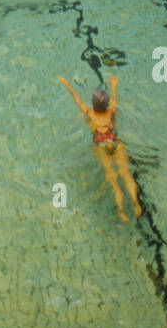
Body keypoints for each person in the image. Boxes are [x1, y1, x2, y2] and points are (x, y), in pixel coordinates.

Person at [59, 74, 142, 223]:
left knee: (113, 180)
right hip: (116, 143)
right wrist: (113, 85)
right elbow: (116, 99)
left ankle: (122, 211)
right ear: (106, 104)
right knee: (126, 175)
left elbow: (76, 99)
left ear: (93, 104)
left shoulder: (89, 113)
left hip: (101, 146)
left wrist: (68, 85)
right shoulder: (112, 111)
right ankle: (136, 203)